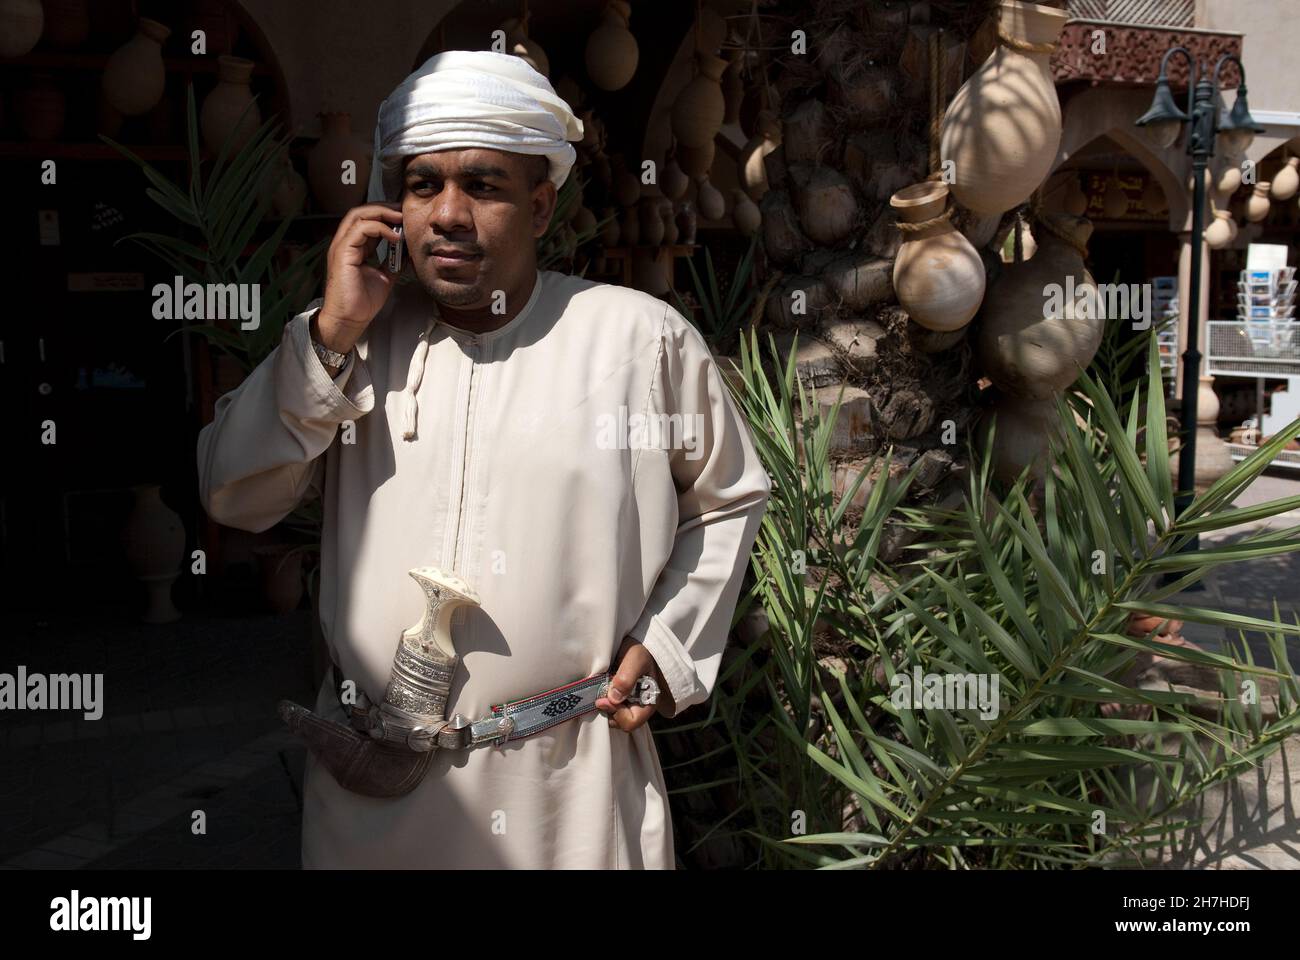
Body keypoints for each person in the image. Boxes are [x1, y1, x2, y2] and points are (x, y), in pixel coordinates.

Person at [196, 49, 771, 869]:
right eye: (422, 185)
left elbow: (727, 498)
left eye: (482, 185)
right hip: (371, 798)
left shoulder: (637, 341)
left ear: (539, 205)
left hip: (564, 795)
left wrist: (671, 645)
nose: (448, 214)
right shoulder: (350, 344)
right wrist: (331, 334)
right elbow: (232, 493)